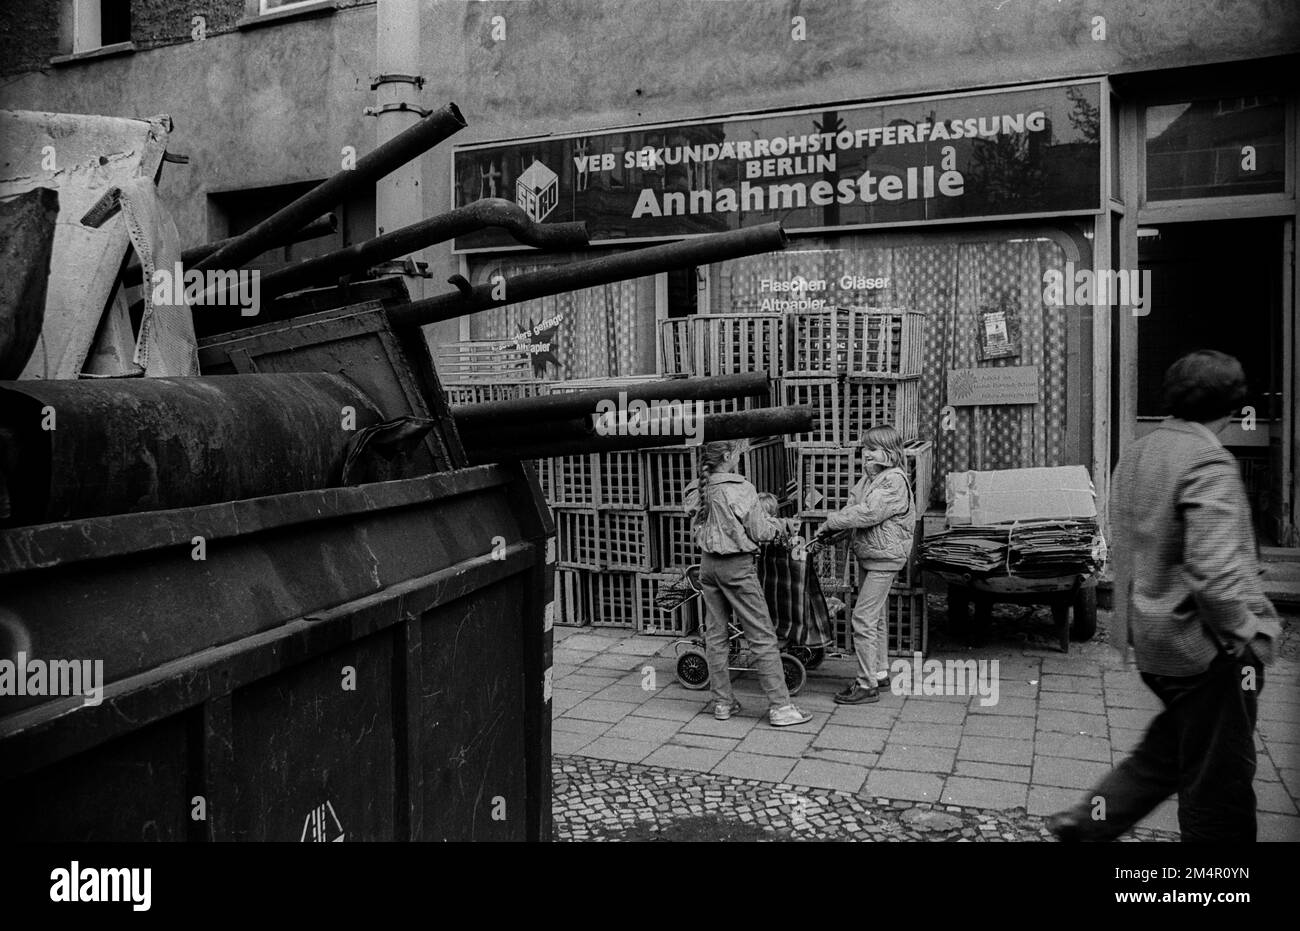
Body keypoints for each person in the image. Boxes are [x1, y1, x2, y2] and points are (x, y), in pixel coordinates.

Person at [1048, 350, 1280, 842]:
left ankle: (1090, 821)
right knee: (1220, 783)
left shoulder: (1140, 451)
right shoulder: (1209, 461)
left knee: (1170, 751)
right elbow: (1214, 574)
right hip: (1209, 649)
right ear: (1237, 406)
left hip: (1152, 639)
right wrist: (1247, 631)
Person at [684, 440, 813, 727]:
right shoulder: (740, 488)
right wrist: (782, 525)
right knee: (762, 635)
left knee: (716, 637)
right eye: (738, 454)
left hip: (708, 566)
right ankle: (780, 707)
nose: (740, 459)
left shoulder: (699, 488)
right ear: (728, 456)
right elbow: (761, 531)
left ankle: (722, 703)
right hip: (737, 567)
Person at [816, 424, 916, 705]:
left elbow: (869, 513)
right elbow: (853, 510)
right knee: (877, 617)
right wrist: (832, 533)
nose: (866, 454)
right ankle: (880, 672)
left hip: (886, 558)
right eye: (864, 449)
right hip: (871, 554)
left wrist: (831, 521)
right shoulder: (869, 480)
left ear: (890, 452)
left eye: (873, 449)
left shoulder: (893, 480)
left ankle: (866, 684)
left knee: (862, 618)